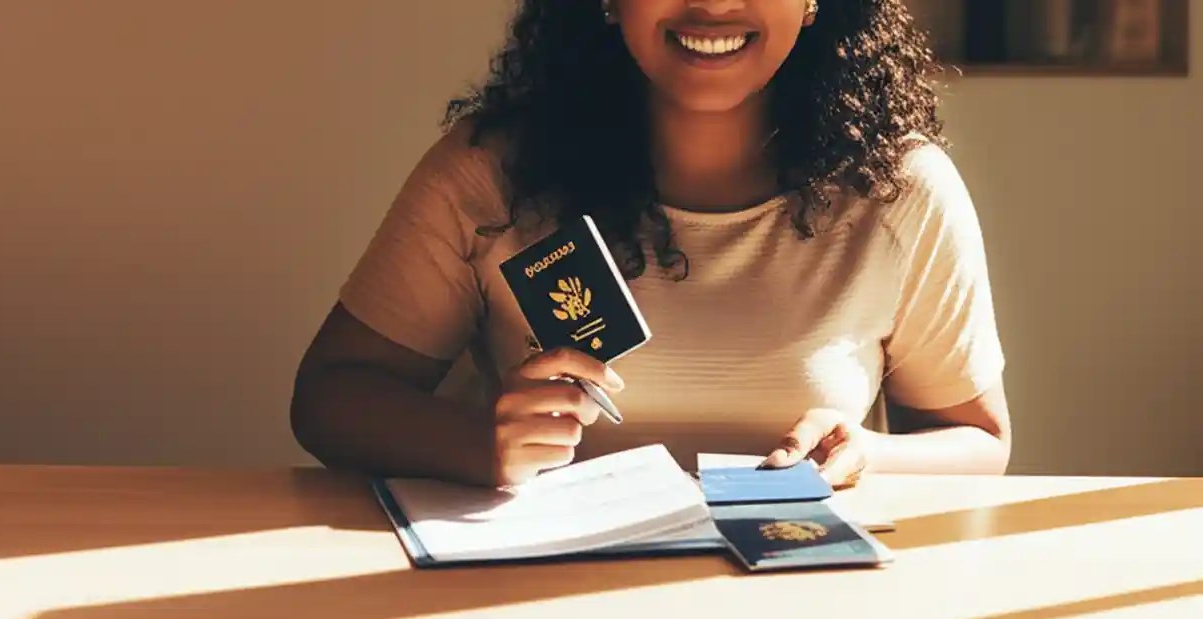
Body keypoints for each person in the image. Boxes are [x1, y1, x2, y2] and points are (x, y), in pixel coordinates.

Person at [290, 0, 1011, 488]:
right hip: (540, 614)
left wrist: (870, 454)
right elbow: (330, 397)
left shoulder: (900, 190)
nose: (713, 2)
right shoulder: (491, 174)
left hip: (801, 612)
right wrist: (481, 445)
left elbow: (981, 442)